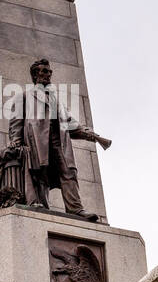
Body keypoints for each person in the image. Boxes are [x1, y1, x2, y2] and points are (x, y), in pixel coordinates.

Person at [8, 58, 109, 220]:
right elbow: (16, 122)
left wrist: (88, 133)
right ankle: (37, 204)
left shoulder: (56, 100)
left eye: (49, 72)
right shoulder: (25, 97)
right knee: (38, 172)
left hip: (59, 141)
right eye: (45, 71)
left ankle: (75, 208)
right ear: (36, 74)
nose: (48, 75)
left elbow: (69, 122)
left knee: (68, 172)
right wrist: (16, 142)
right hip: (37, 140)